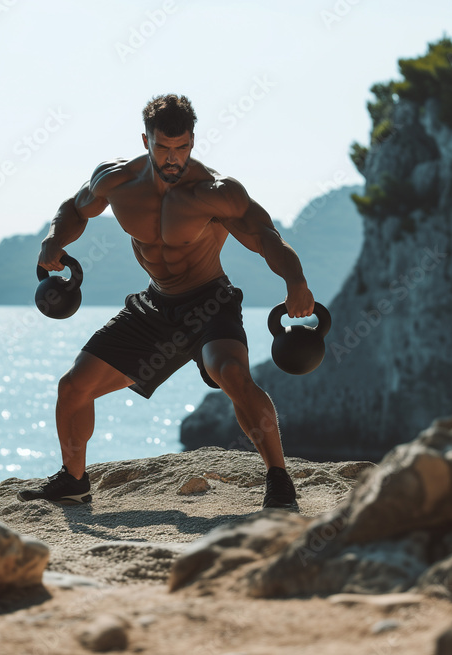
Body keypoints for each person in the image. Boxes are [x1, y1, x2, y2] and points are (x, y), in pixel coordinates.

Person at [17, 94, 313, 511]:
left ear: (193, 141)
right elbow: (75, 208)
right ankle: (74, 481)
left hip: (210, 303)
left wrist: (295, 281)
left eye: (182, 148)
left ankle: (279, 480)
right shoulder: (116, 181)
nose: (173, 158)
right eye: (163, 148)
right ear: (146, 141)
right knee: (73, 388)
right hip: (155, 307)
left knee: (230, 372)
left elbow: (265, 236)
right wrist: (54, 239)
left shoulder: (214, 192)